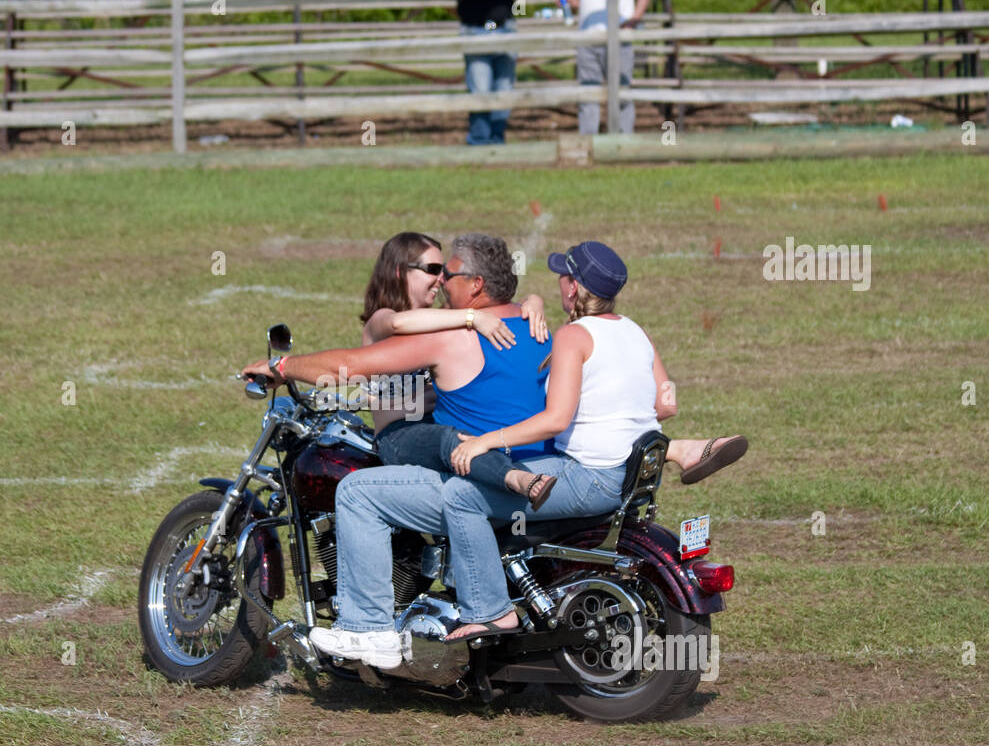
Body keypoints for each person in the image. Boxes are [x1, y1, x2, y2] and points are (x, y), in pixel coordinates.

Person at [243, 239, 744, 667]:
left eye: (450, 274)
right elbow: (656, 402)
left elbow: (354, 364)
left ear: (476, 285)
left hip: (514, 473)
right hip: (564, 467)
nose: (442, 284)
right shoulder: (544, 328)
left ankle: (368, 627)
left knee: (357, 491)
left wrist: (283, 366)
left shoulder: (464, 335)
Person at [359, 231, 557, 507]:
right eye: (433, 270)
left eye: (444, 272)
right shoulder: (383, 318)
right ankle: (515, 478)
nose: (441, 279)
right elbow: (398, 325)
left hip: (431, 428)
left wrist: (533, 301)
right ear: (399, 273)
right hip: (399, 435)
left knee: (463, 435)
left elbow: (498, 301)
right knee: (454, 439)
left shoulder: (440, 318)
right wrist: (472, 316)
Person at [426, 0, 526, 146]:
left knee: (504, 87)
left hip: (502, 26)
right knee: (480, 88)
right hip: (475, 27)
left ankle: (497, 139)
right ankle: (480, 140)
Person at [568, 0, 651, 134]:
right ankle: (589, 142)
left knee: (622, 93)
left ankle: (624, 141)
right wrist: (569, 3)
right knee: (587, 94)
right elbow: (579, 2)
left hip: (618, 40)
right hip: (587, 39)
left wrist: (634, 19)